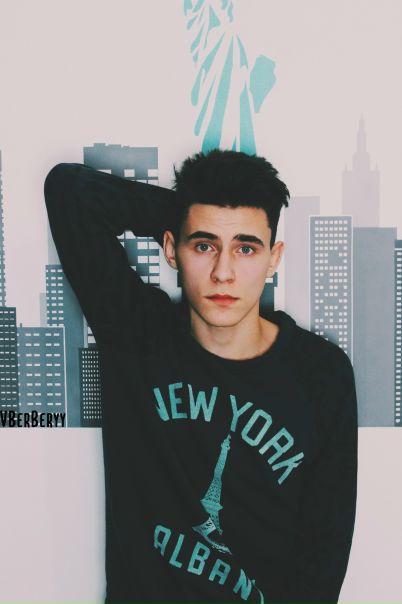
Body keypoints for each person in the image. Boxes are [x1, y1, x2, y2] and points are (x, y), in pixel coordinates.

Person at [44, 149, 358, 604]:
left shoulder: (319, 373)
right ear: (172, 249)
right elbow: (69, 191)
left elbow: (322, 560)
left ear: (274, 258)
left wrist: (201, 225)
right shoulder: (136, 336)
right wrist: (185, 212)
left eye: (246, 248)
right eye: (204, 246)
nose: (223, 272)